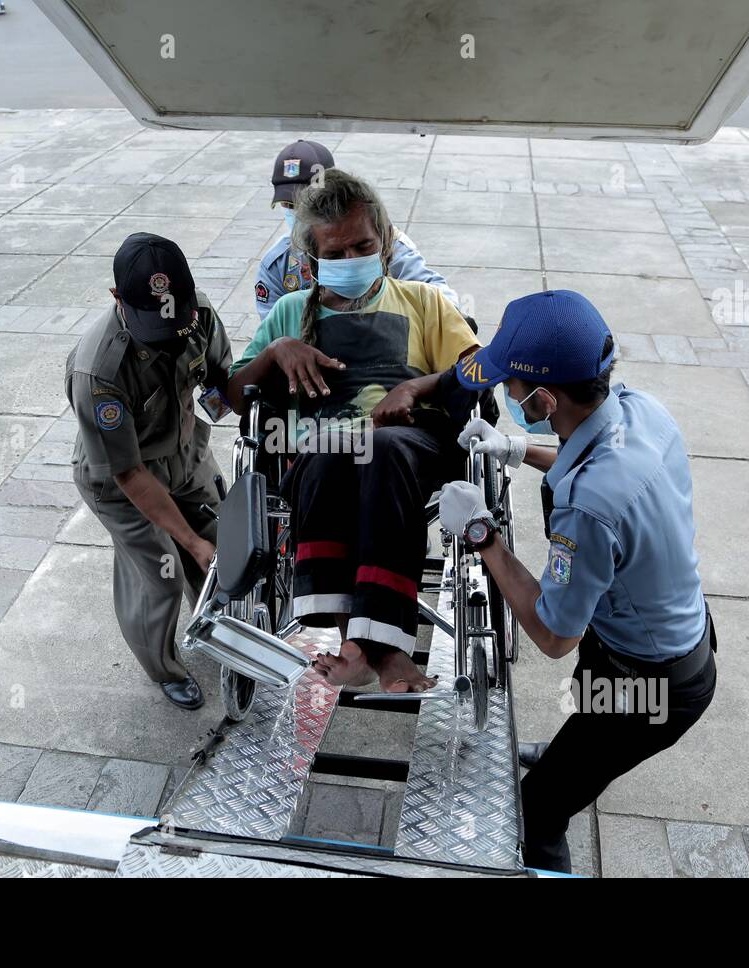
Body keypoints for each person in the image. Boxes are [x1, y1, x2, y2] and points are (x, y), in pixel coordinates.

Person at [439, 289, 718, 873]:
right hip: (656, 636)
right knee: (586, 721)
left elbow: (553, 634)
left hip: (653, 690)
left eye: (510, 387)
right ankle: (573, 756)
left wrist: (481, 535)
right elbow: (586, 456)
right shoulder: (641, 409)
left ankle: (562, 788)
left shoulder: (589, 510)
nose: (505, 394)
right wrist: (516, 447)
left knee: (539, 809)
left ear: (544, 397)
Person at [228, 168, 480, 694]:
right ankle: (362, 644)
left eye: (362, 246)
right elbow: (236, 399)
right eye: (335, 252)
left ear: (384, 241)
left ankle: (376, 652)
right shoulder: (291, 312)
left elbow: (476, 370)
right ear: (312, 257)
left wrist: (414, 389)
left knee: (379, 446)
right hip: (324, 455)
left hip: (409, 445)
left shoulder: (425, 303)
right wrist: (276, 352)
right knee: (328, 447)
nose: (349, 261)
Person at [66, 233, 234, 710]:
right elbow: (130, 475)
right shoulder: (99, 371)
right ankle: (163, 668)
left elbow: (224, 380)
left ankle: (220, 632)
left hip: (183, 450)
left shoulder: (197, 313)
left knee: (223, 545)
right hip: (122, 478)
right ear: (117, 299)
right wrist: (190, 543)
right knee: (159, 574)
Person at [255, 140, 459, 319]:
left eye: (306, 204)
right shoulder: (277, 265)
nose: (297, 213)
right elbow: (273, 334)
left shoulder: (381, 244)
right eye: (288, 205)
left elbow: (443, 300)